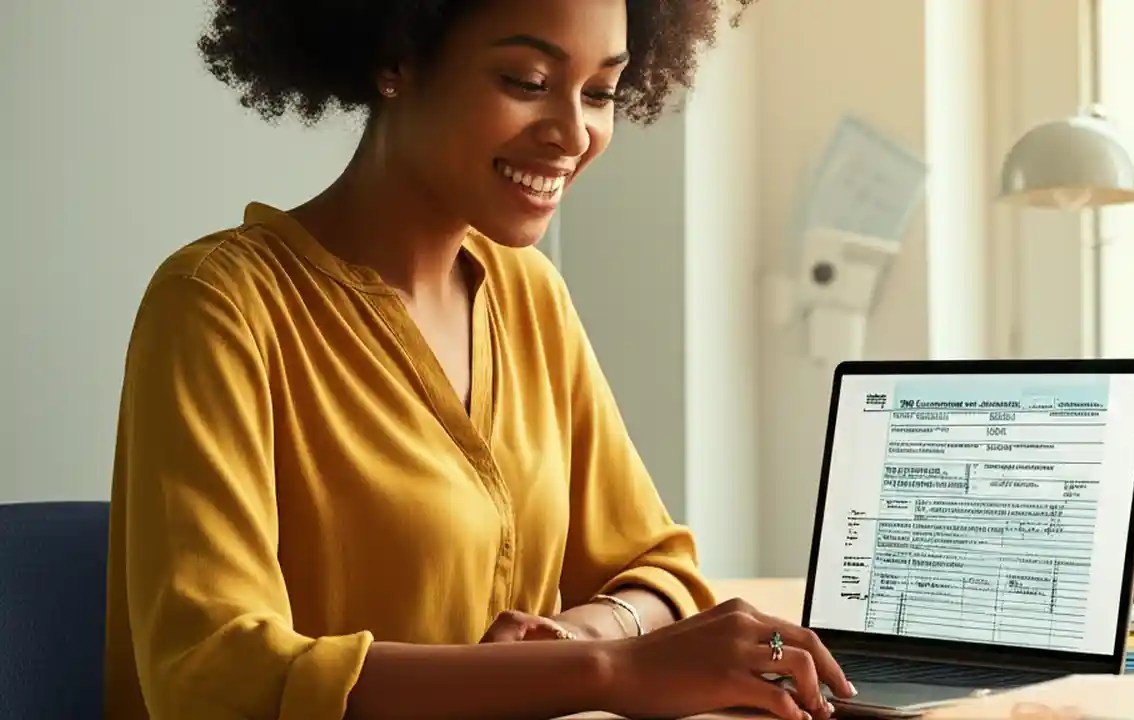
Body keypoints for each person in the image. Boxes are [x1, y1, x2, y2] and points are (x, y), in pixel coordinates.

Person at [103, 1, 855, 719]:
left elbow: (660, 570)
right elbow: (214, 674)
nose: (574, 132)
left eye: (600, 92)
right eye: (527, 83)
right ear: (394, 58)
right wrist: (607, 671)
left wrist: (581, 635)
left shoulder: (529, 296)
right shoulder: (219, 307)